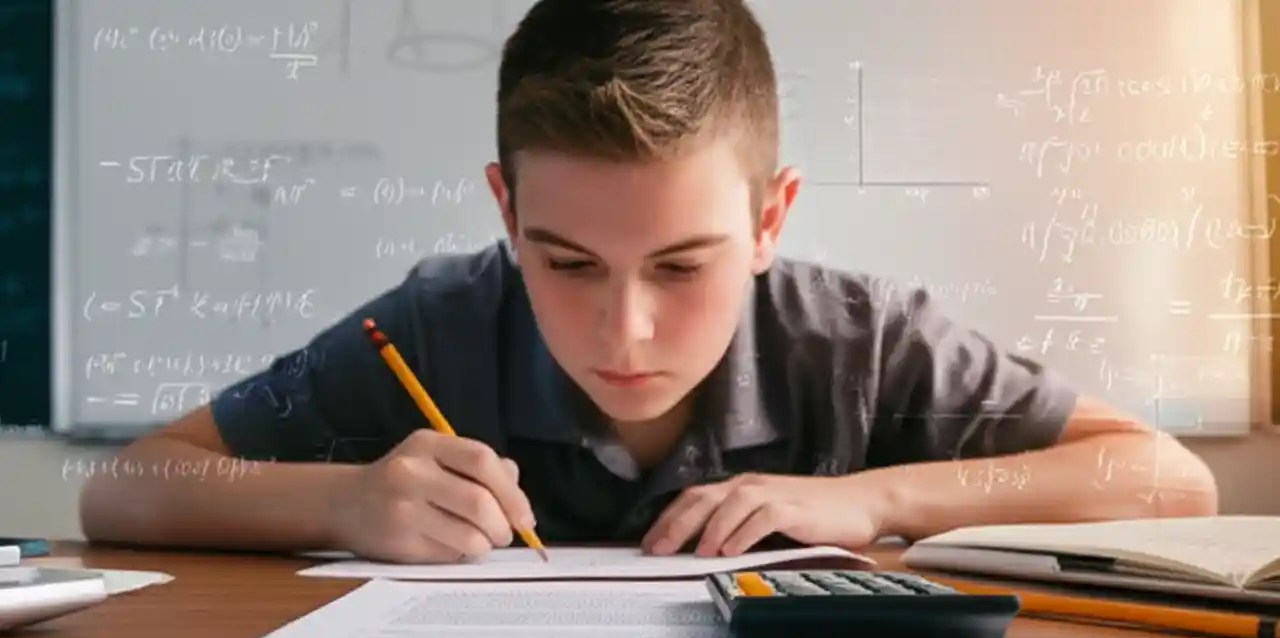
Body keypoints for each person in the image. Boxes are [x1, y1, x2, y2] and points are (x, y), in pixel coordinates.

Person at [79, 0, 1218, 564]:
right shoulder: (442, 320)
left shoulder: (853, 338)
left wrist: (870, 500)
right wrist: (338, 501)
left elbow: (1166, 480)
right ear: (506, 213)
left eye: (682, 266)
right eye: (567, 263)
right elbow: (126, 489)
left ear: (770, 219)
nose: (624, 329)